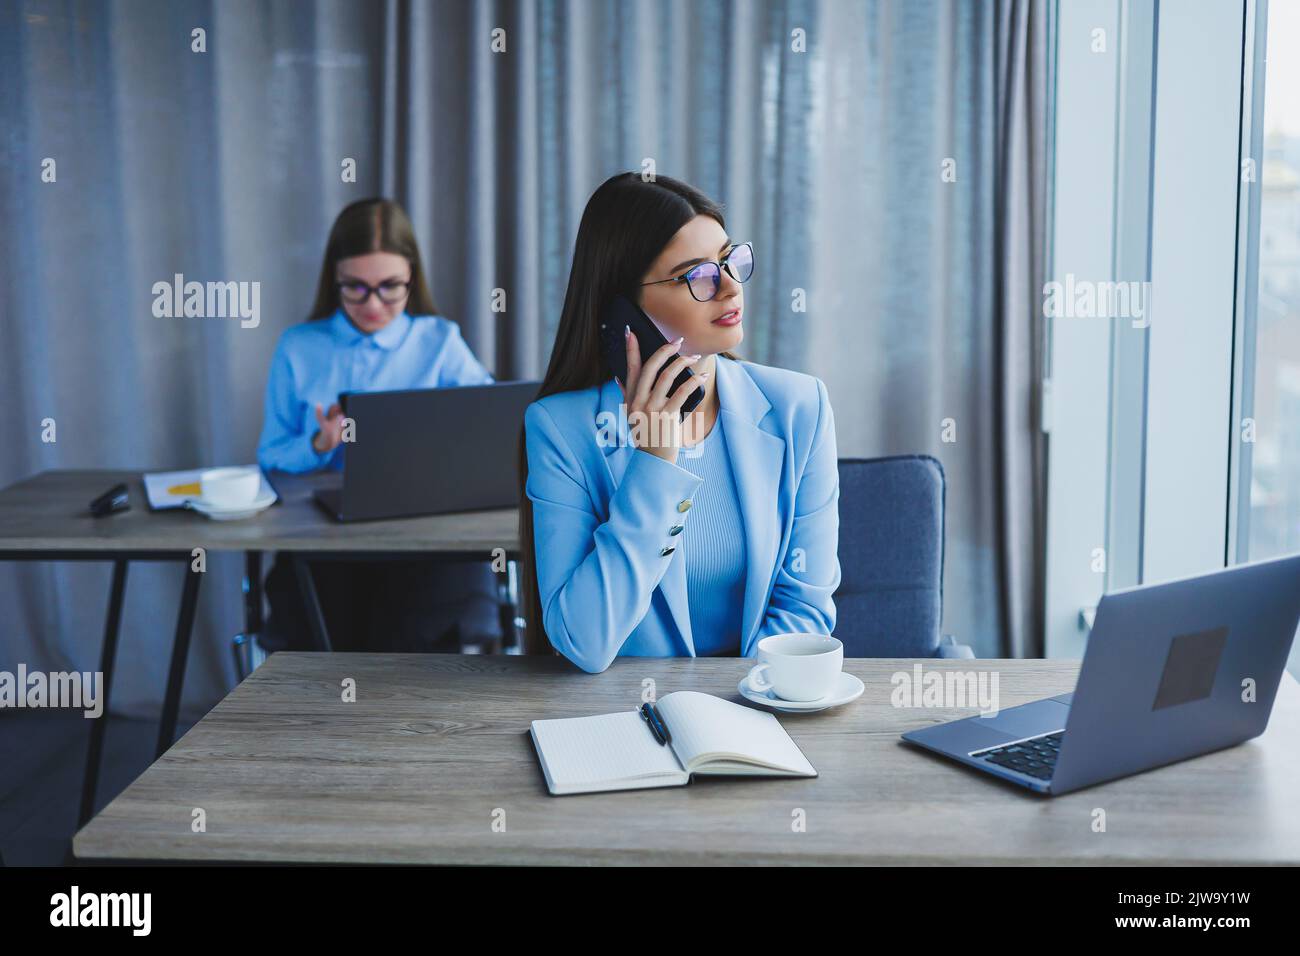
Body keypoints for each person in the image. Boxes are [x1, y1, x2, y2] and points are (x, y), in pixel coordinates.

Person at [518, 172, 840, 673]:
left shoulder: (800, 407)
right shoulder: (560, 429)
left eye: (730, 260)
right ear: (626, 310)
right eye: (698, 275)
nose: (730, 286)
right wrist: (654, 459)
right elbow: (582, 641)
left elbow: (805, 609)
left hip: (759, 712)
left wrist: (736, 710)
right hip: (624, 721)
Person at [257, 197, 503, 653]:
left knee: (437, 609)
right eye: (356, 288)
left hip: (425, 538)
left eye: (390, 287)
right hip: (328, 543)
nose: (373, 305)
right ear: (335, 279)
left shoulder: (440, 340)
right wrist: (318, 443)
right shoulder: (298, 347)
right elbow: (270, 456)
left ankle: (402, 718)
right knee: (313, 616)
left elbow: (491, 427)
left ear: (413, 278)